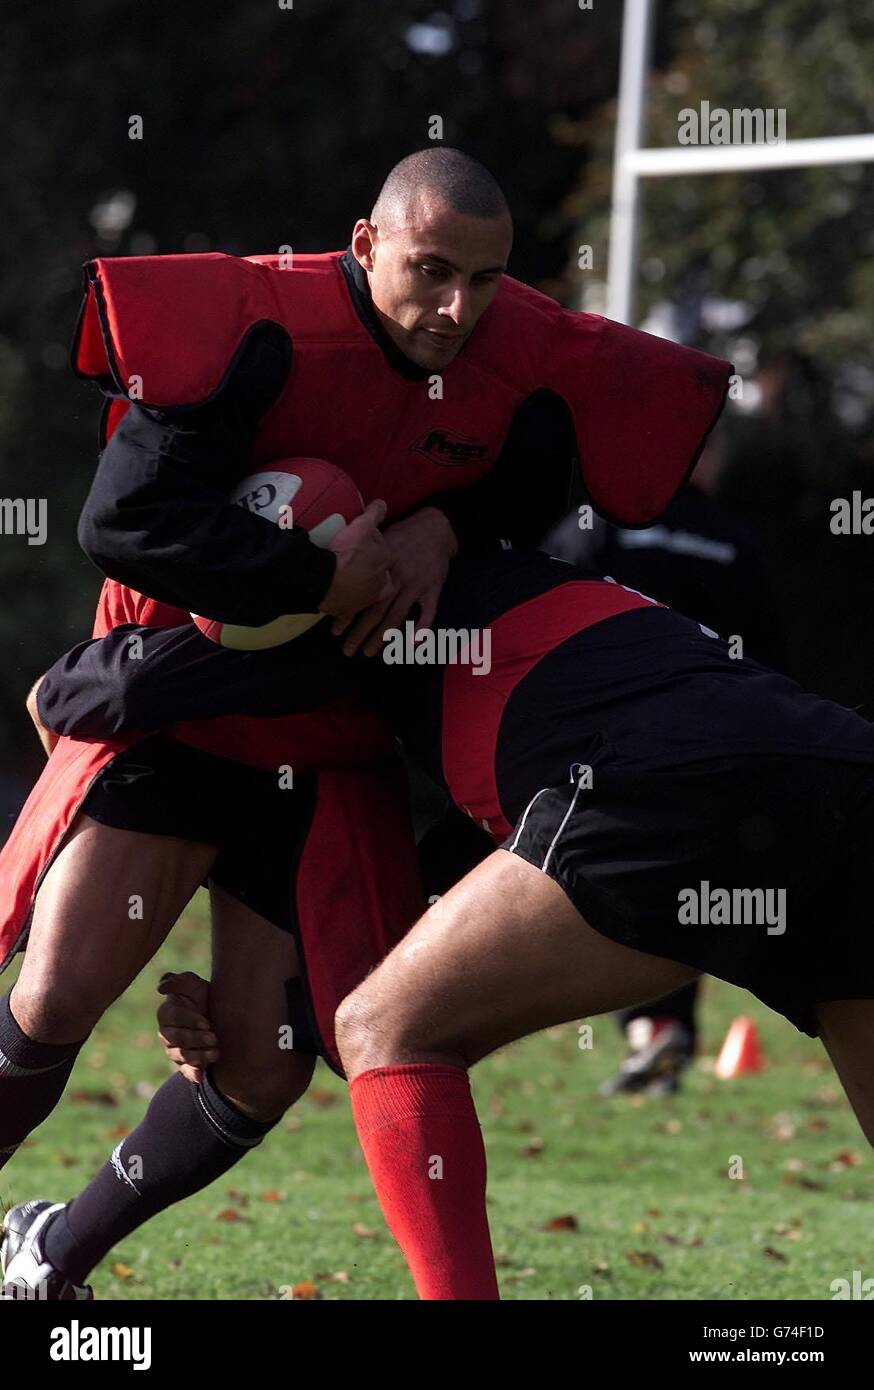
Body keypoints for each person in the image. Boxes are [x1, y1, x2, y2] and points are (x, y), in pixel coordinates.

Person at [0, 148, 730, 1296]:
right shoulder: (256, 327)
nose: (455, 309)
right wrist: (309, 574)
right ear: (363, 243)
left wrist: (451, 529)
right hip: (179, 708)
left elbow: (532, 481)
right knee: (56, 994)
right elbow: (122, 520)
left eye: (483, 281)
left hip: (323, 739)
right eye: (431, 271)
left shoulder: (511, 352)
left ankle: (48, 1256)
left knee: (264, 1063)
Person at [14, 537, 874, 1300]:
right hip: (840, 767)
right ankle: (53, 1250)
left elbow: (156, 680)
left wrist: (66, 683)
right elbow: (461, 893)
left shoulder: (388, 598)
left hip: (666, 780)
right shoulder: (562, 593)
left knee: (385, 1028)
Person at [543, 432, 786, 1094]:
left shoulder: (591, 529)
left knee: (608, 883)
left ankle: (651, 1030)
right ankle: (660, 1027)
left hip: (603, 749)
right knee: (684, 888)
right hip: (715, 748)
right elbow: (765, 658)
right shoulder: (732, 541)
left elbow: (540, 623)